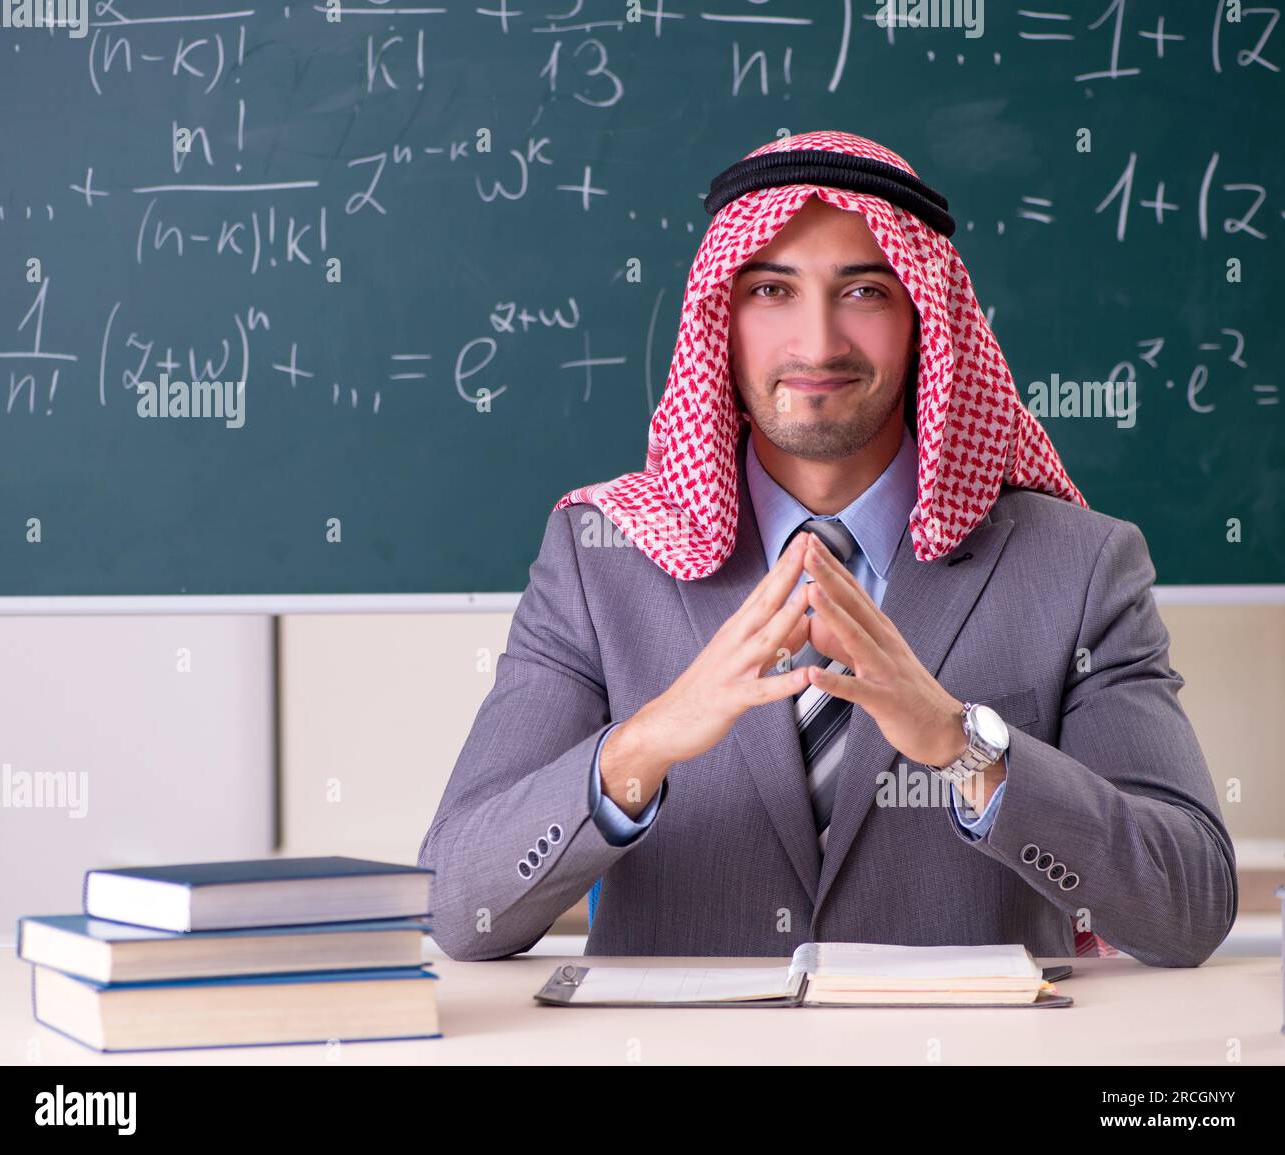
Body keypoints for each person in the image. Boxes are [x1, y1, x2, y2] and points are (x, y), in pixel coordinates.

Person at [417, 130, 1236, 967]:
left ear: (924, 320)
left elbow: (1189, 909)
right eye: (772, 290)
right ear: (721, 320)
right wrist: (647, 740)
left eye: (865, 291)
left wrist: (964, 743)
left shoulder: (1079, 566)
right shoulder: (599, 561)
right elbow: (457, 907)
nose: (817, 344)